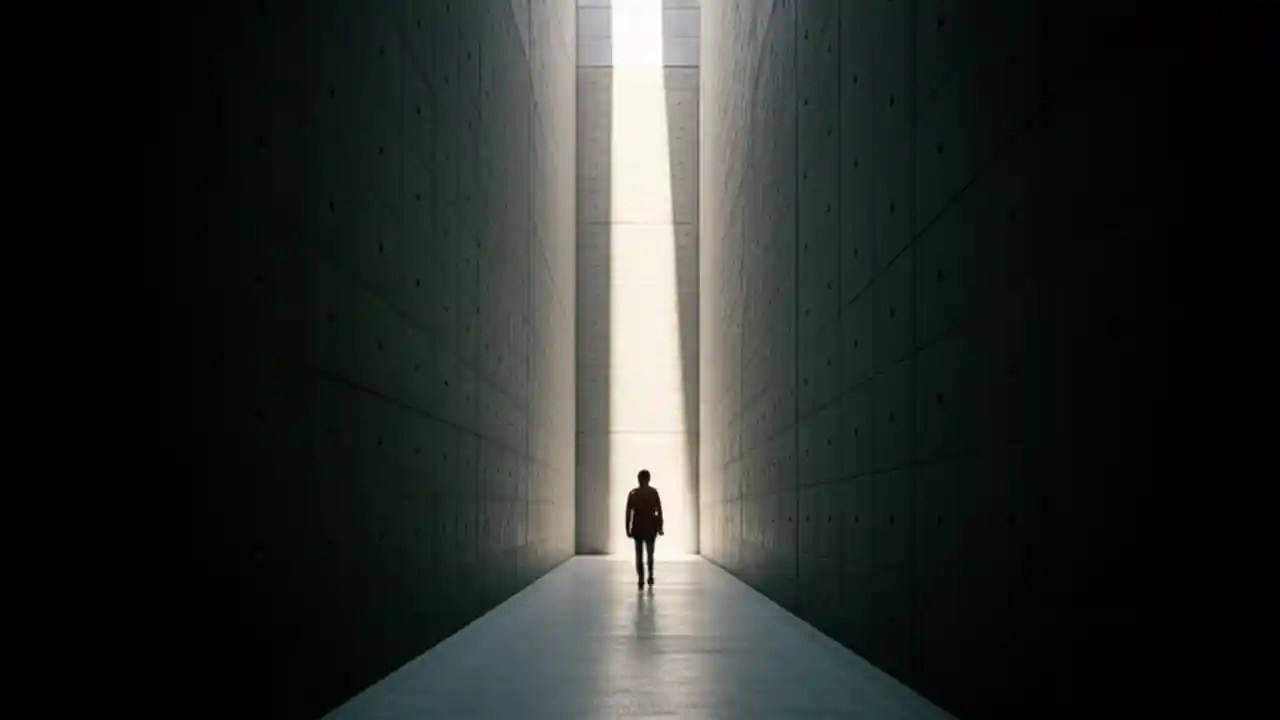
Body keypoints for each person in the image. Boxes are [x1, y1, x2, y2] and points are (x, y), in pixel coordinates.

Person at [625, 469, 664, 589]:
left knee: (639, 554)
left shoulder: (633, 493)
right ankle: (650, 575)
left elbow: (628, 512)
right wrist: (660, 526)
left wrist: (628, 527)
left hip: (638, 527)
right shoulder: (653, 493)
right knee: (650, 553)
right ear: (649, 479)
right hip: (650, 526)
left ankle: (641, 578)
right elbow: (659, 511)